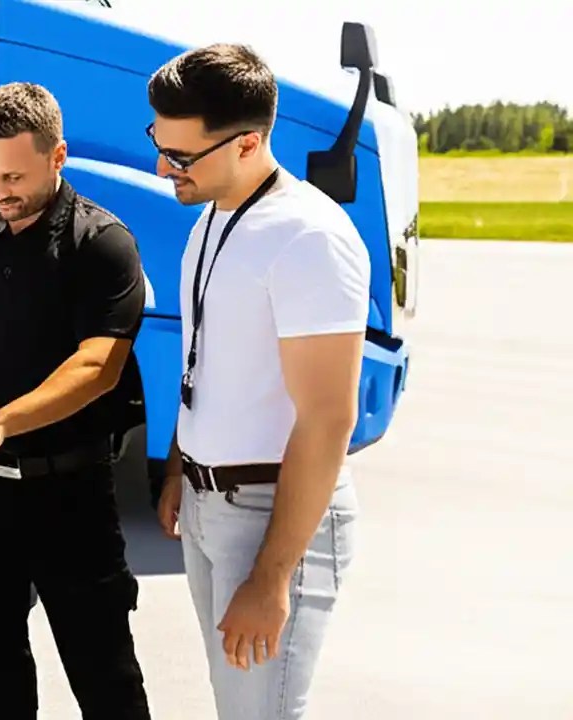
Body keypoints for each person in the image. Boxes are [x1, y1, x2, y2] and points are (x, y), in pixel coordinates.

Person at [0, 81, 154, 719]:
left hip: (71, 496)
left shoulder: (103, 244)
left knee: (106, 681)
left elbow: (97, 367)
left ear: (58, 157)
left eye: (15, 175)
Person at [147, 43, 367, 719]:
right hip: (215, 506)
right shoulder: (215, 216)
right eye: (159, 143)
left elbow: (328, 418)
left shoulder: (307, 238)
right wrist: (184, 467)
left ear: (248, 143)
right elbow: (214, 360)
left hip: (275, 518)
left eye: (181, 156)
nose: (163, 167)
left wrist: (273, 576)